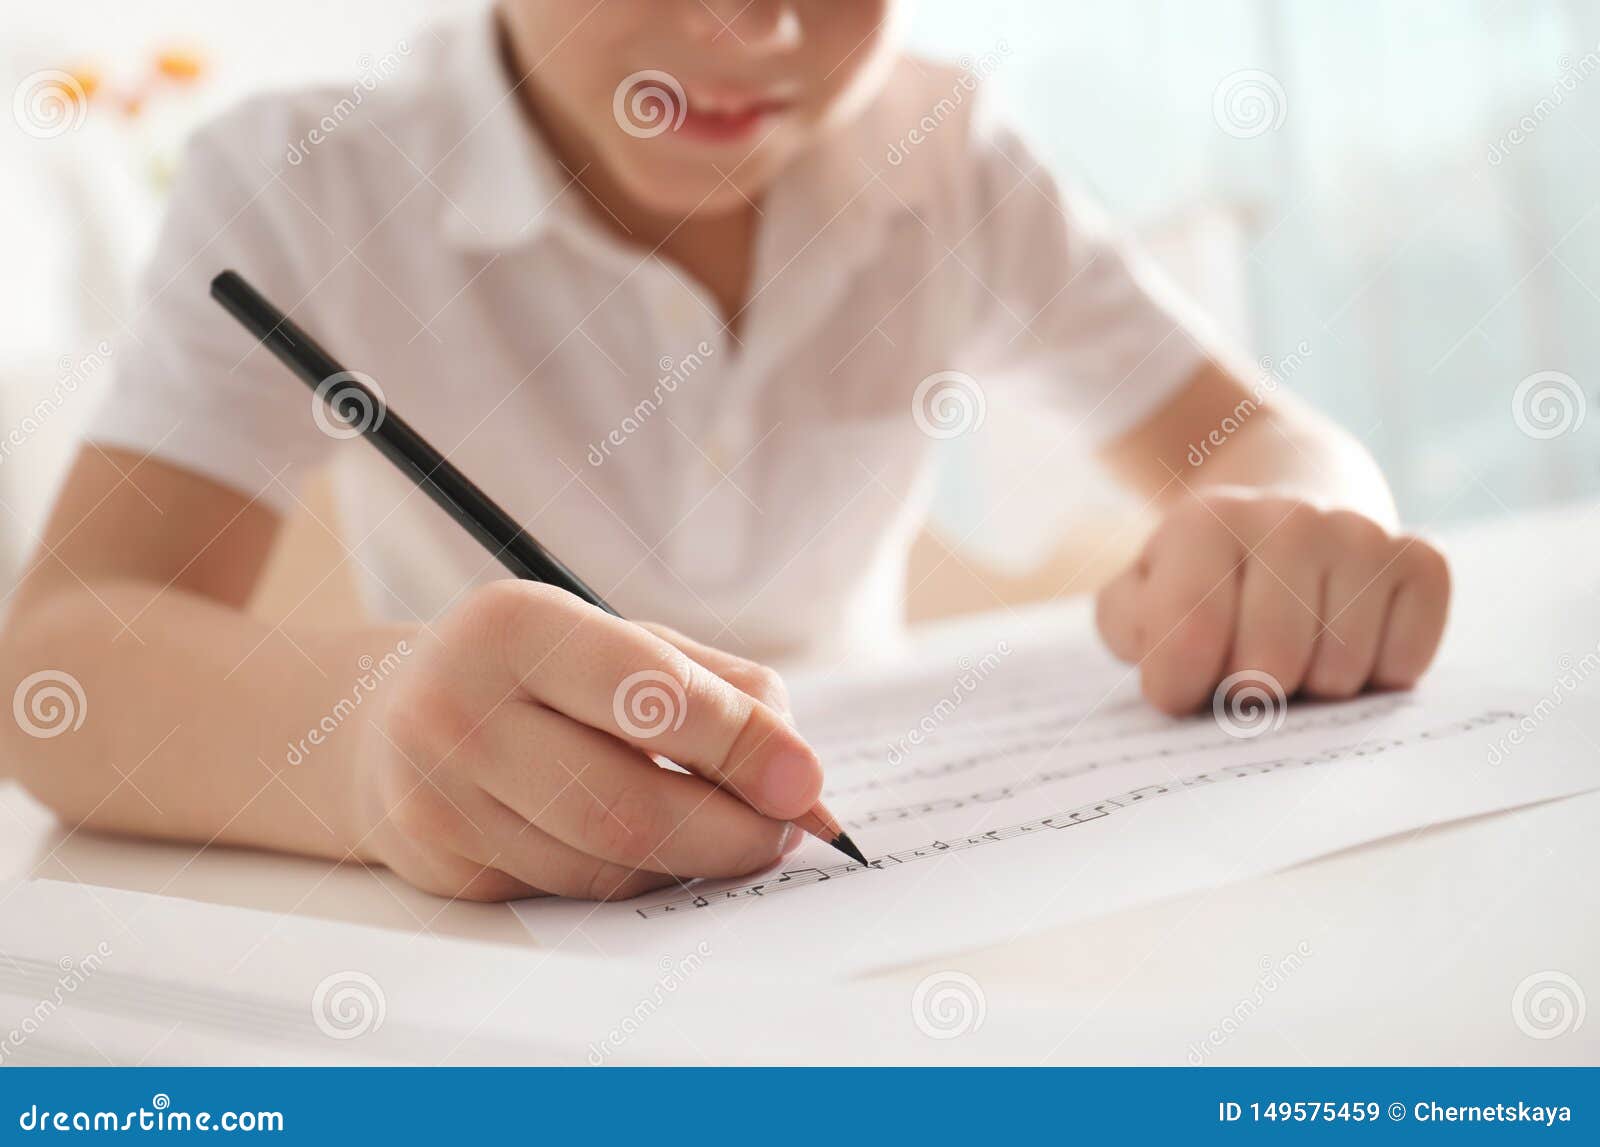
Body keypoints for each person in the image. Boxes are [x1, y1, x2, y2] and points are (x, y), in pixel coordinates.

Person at [0, 1, 1449, 903]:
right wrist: (374, 750)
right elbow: (58, 672)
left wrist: (1295, 520)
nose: (755, 29)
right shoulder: (300, 183)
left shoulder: (947, 153)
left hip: (872, 907)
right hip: (502, 954)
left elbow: (1267, 438)